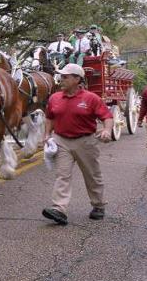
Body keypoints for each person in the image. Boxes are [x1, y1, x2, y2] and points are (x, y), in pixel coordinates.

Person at [41, 64, 114, 225]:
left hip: (85, 142)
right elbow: (50, 117)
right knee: (62, 175)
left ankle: (98, 205)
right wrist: (46, 134)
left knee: (92, 175)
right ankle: (59, 209)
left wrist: (107, 130)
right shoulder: (55, 98)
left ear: (77, 79)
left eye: (65, 77)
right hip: (61, 141)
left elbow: (107, 117)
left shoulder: (91, 98)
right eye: (61, 76)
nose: (61, 79)